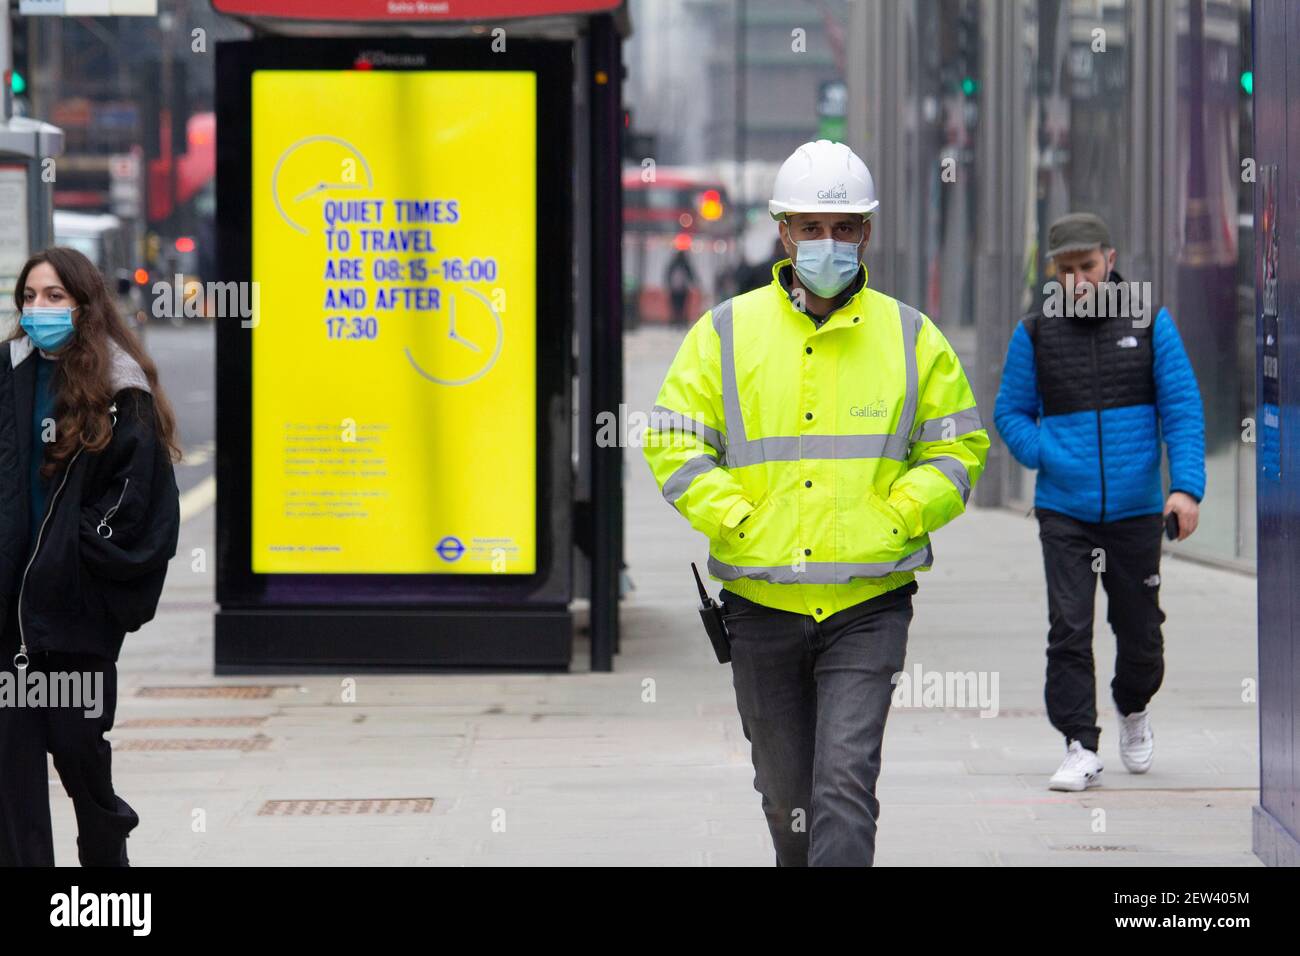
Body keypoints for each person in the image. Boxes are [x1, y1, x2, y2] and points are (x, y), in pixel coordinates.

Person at [643, 140, 988, 866]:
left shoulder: (911, 336)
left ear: (866, 233)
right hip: (761, 604)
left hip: (870, 603)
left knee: (844, 787)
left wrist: (898, 516)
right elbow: (673, 440)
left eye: (843, 228)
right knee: (785, 795)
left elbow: (959, 448)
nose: (826, 243)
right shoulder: (727, 332)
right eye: (810, 227)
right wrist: (739, 517)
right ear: (783, 231)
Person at [993, 212, 1205, 792]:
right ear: (1053, 273)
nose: (1078, 281)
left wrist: (1184, 489)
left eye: (1087, 267)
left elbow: (1183, 409)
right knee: (1068, 628)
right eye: (1066, 270)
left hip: (1137, 513)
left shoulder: (1150, 320)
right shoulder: (1035, 332)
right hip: (1065, 513)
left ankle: (1132, 707)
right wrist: (1050, 454)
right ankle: (1078, 744)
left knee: (1140, 632)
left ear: (1109, 261)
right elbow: (1009, 412)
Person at [0, 247, 181, 866]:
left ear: (84, 304)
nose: (38, 309)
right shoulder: (8, 372)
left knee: (77, 751)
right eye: (29, 297)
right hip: (8, 610)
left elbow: (139, 504)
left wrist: (70, 551)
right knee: (12, 765)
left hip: (74, 610)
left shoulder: (118, 386)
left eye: (54, 297)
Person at [665, 248, 696, 327]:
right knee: (681, 306)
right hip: (681, 288)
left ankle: (677, 321)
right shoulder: (685, 264)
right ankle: (679, 321)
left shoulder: (673, 264)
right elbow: (691, 276)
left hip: (676, 289)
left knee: (676, 306)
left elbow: (668, 276)